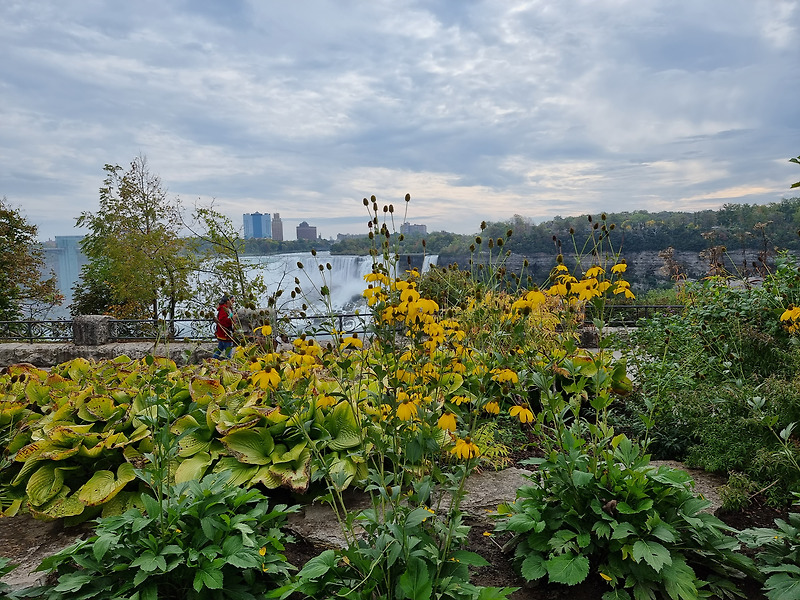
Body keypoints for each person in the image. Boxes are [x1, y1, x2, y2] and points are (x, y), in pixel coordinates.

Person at [212, 294, 237, 359]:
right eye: (232, 300)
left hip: (225, 332)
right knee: (228, 351)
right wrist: (232, 318)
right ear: (227, 301)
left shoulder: (229, 309)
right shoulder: (223, 309)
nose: (233, 302)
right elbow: (223, 321)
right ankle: (227, 363)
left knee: (220, 348)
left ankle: (213, 359)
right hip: (225, 333)